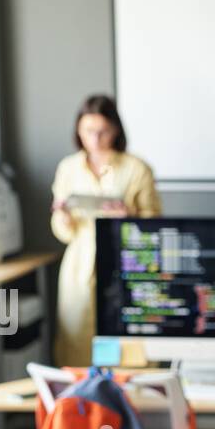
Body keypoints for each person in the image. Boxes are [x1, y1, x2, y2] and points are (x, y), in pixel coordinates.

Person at [51, 95, 161, 366]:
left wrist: (129, 218)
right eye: (89, 131)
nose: (96, 138)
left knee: (129, 341)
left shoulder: (137, 169)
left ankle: (130, 402)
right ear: (78, 130)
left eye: (103, 131)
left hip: (126, 261)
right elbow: (63, 233)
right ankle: (83, 404)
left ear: (116, 130)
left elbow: (154, 223)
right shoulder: (68, 168)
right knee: (78, 336)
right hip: (81, 264)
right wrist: (63, 216)